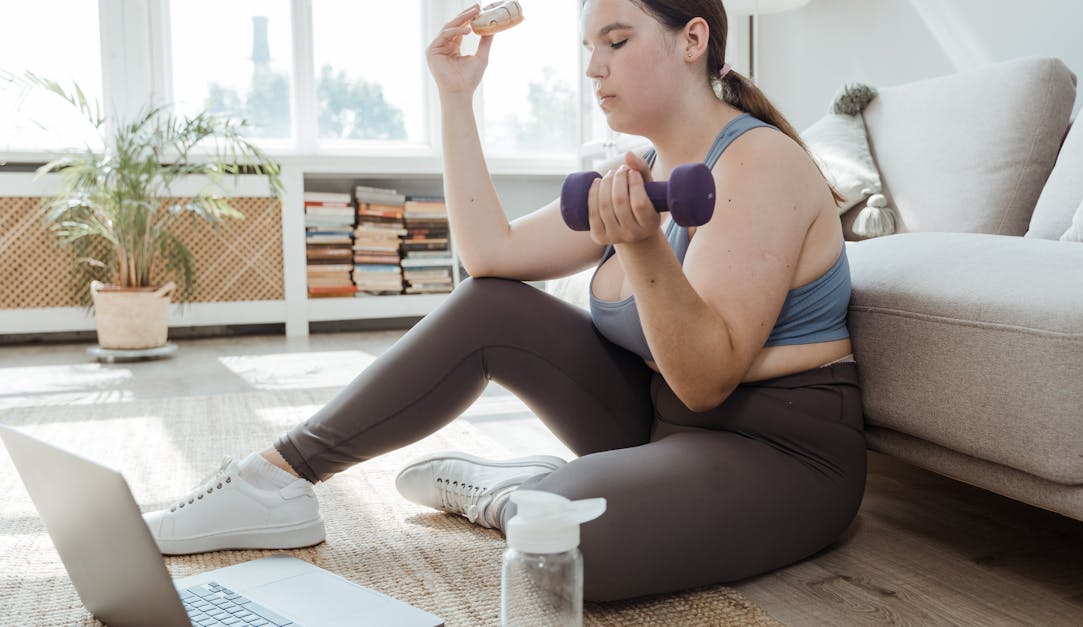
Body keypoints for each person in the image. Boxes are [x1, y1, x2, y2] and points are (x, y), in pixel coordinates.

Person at [141, 0, 865, 602]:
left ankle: (514, 490)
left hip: (780, 453)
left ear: (693, 40)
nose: (592, 68)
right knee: (493, 306)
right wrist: (456, 98)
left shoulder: (757, 161)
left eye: (616, 40)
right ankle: (278, 476)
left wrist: (642, 248)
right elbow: (487, 256)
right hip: (660, 427)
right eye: (589, 46)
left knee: (563, 545)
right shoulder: (640, 171)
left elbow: (707, 381)